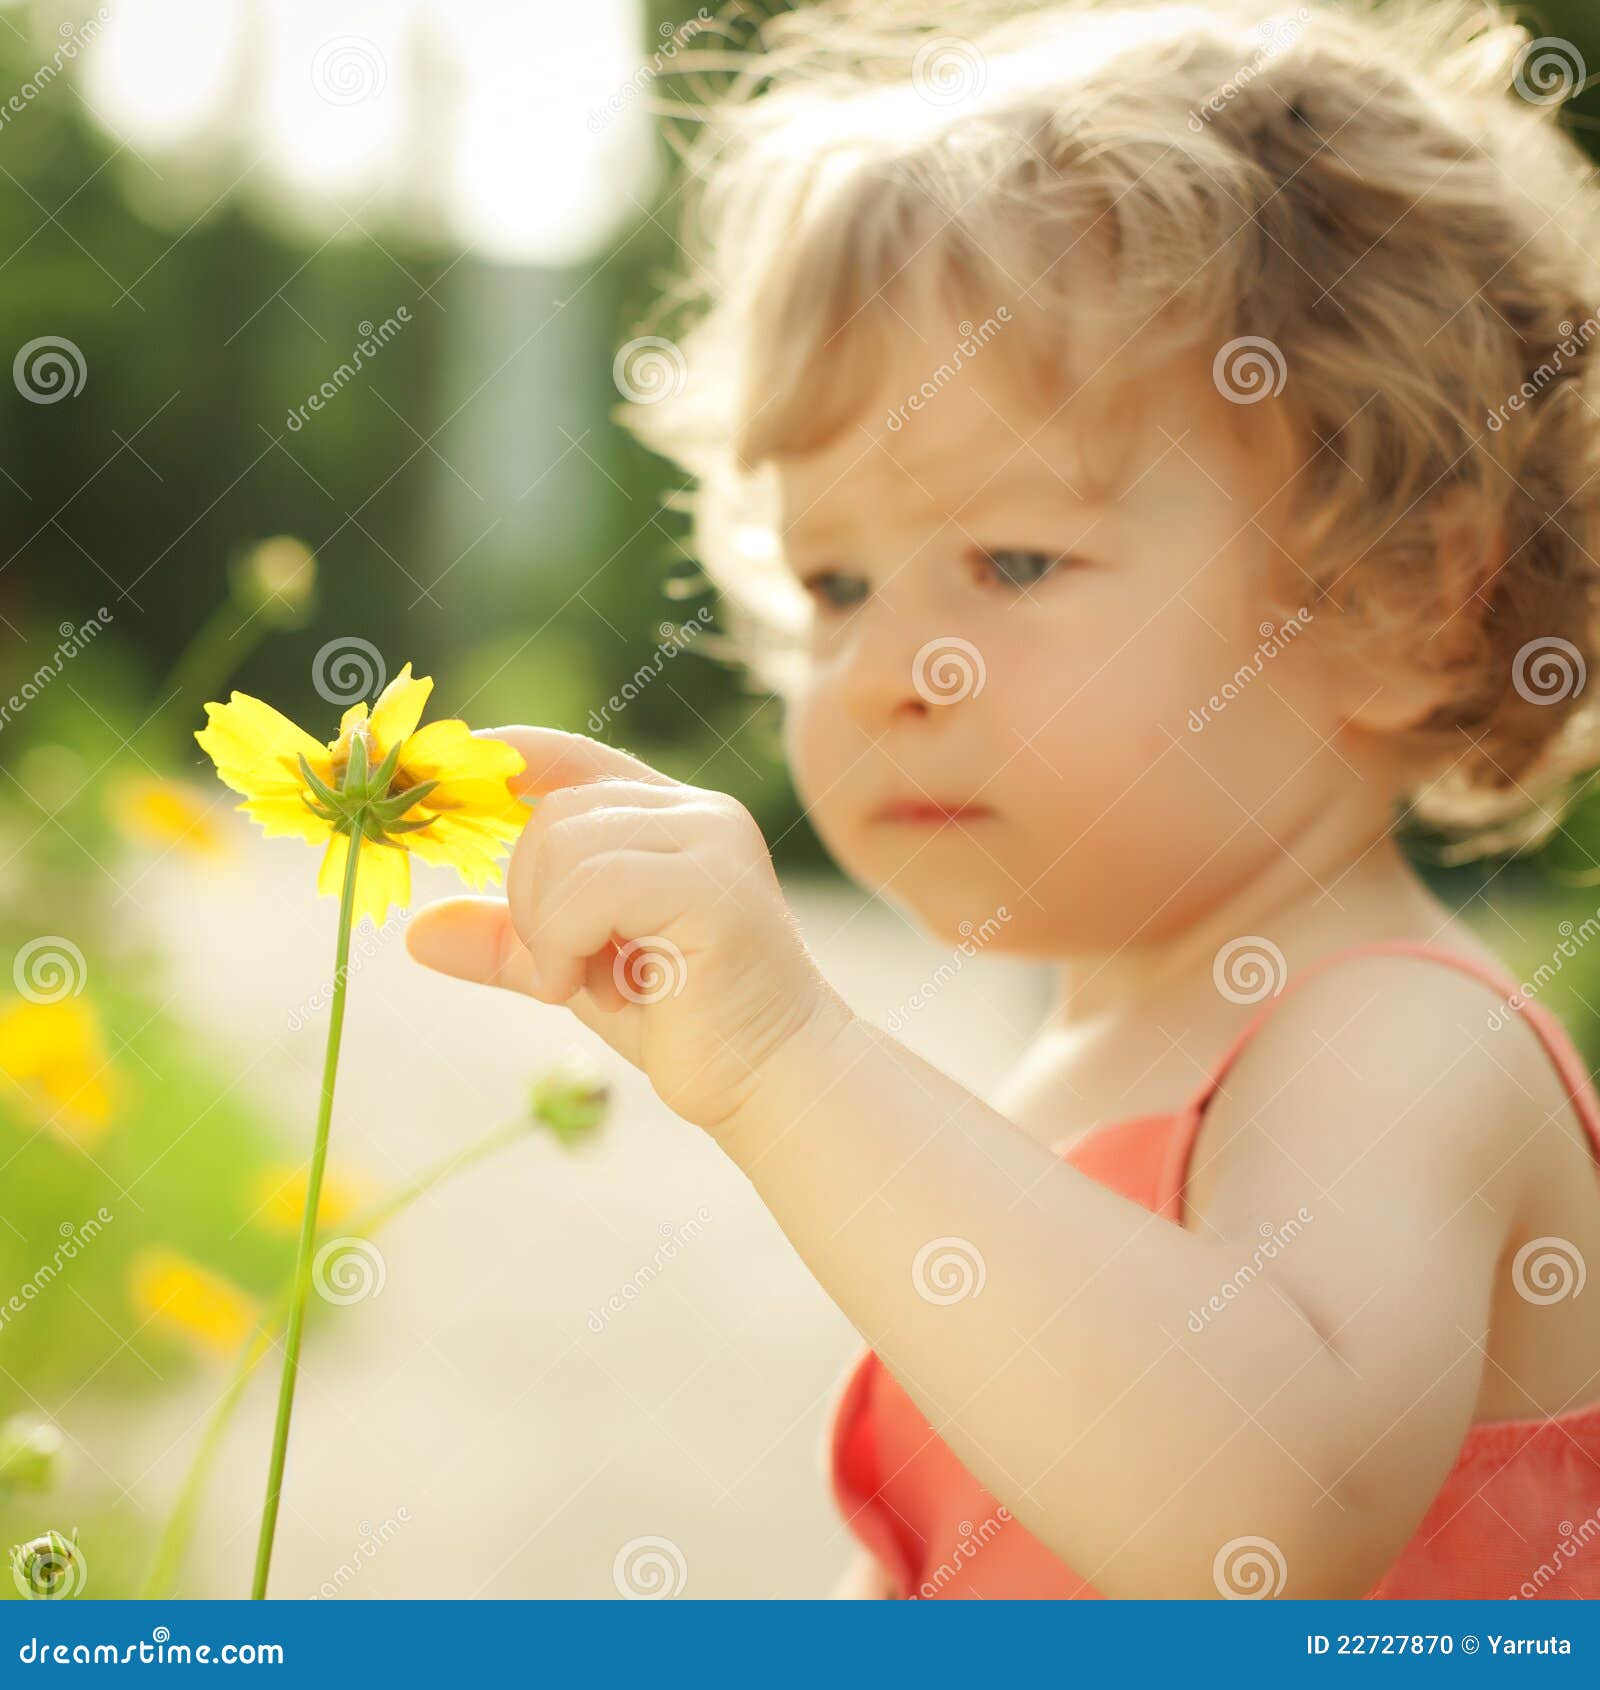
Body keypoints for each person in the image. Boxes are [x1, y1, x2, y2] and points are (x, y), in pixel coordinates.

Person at [408, 0, 1600, 1599]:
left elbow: (1263, 1519)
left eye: (1014, 560)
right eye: (836, 581)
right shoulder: (1091, 1055)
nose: (892, 667)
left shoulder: (1400, 1044)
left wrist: (782, 1058)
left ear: (1398, 601)